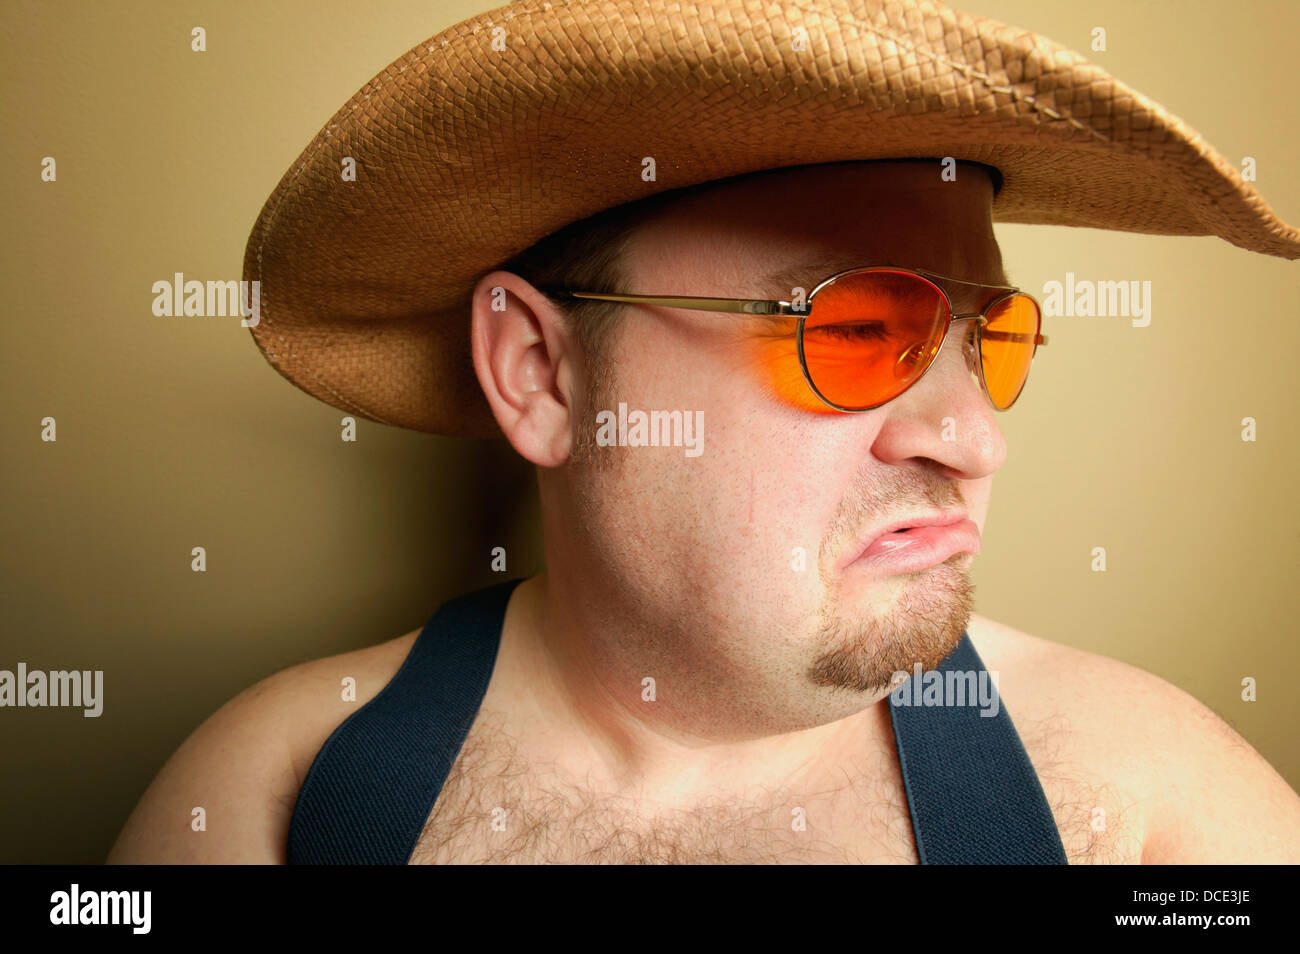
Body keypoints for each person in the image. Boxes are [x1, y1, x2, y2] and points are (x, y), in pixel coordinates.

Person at [108, 0, 1300, 864]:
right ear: (540, 374)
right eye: (852, 328)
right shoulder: (278, 796)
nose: (972, 441)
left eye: (986, 337)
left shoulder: (1143, 806)